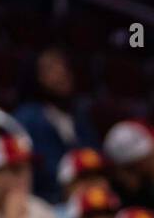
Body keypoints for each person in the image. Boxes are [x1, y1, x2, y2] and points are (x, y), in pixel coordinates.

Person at [12, 47, 99, 201]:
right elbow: (35, 170)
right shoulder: (27, 118)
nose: (61, 72)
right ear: (36, 77)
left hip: (86, 199)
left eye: (63, 66)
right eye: (50, 68)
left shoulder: (79, 117)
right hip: (48, 201)